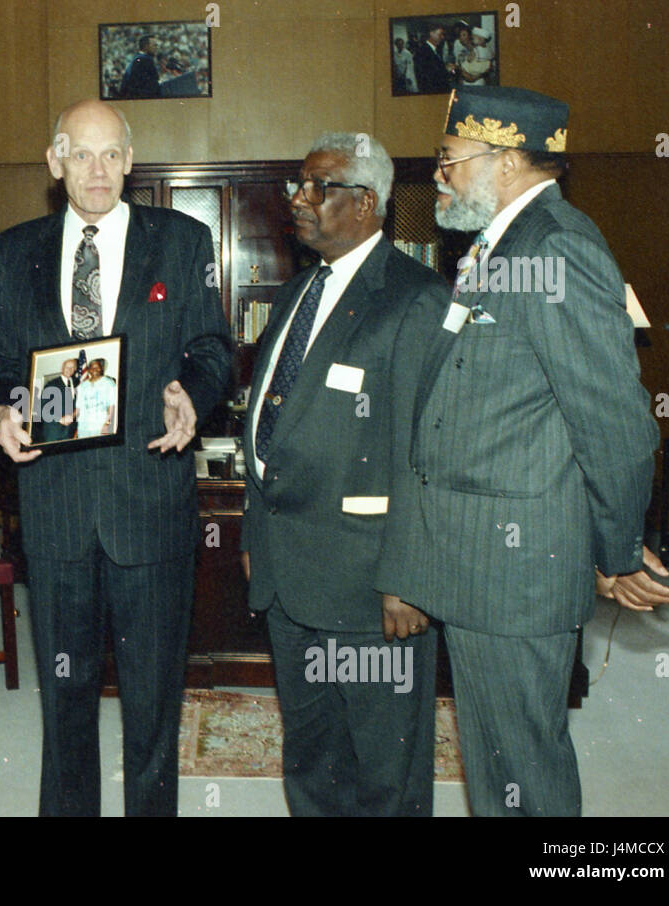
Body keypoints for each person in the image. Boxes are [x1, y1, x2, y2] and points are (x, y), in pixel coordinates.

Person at [377, 86, 669, 816]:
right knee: (497, 763)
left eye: (448, 160)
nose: (438, 175)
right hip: (478, 562)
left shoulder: (556, 246)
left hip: (516, 570)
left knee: (523, 772)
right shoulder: (500, 244)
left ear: (505, 160)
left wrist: (618, 548)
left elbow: (614, 421)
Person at [0, 99, 231, 816]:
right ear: (54, 162)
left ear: (130, 161)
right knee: (64, 703)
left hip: (148, 503)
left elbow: (213, 347)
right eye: (81, 154)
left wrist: (195, 394)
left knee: (152, 707)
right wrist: (3, 410)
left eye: (111, 154)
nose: (97, 170)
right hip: (55, 510)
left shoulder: (183, 241)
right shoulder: (13, 248)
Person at [240, 132, 451, 816]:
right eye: (296, 186)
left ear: (365, 203)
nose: (298, 201)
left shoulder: (415, 298)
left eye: (316, 187)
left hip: (372, 590)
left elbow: (427, 453)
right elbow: (271, 424)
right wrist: (253, 531)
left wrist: (410, 578)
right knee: (312, 758)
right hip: (289, 575)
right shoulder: (300, 289)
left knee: (386, 768)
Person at [37, 356, 79, 443]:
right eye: (67, 367)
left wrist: (73, 416)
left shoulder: (76, 384)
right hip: (53, 431)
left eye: (72, 367)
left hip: (69, 431)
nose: (69, 369)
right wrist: (60, 419)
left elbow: (78, 405)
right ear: (62, 368)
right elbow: (42, 408)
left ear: (75, 369)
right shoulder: (51, 385)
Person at [74, 358, 117, 437]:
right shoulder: (82, 386)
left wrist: (107, 424)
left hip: (100, 426)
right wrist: (71, 417)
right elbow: (78, 407)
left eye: (97, 367)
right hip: (84, 428)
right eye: (92, 367)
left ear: (101, 369)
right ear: (89, 370)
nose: (95, 369)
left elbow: (111, 406)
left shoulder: (109, 383)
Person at [413, 25, 453, 93]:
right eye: (440, 35)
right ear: (431, 34)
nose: (442, 37)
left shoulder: (435, 50)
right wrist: (446, 70)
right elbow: (426, 76)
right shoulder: (422, 52)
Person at [118, 34, 160, 99]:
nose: (157, 47)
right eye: (154, 45)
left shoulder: (137, 59)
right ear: (146, 46)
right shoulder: (145, 60)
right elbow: (152, 84)